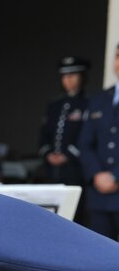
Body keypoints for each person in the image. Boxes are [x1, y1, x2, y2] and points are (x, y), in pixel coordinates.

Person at [76, 46, 119, 271]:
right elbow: (84, 144)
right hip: (100, 195)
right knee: (103, 258)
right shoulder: (100, 100)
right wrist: (97, 175)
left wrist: (116, 175)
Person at [39, 55, 90, 187]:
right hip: (51, 170)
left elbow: (88, 135)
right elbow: (44, 134)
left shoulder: (89, 104)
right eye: (64, 76)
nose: (67, 80)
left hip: (75, 169)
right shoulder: (54, 105)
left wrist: (68, 155)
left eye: (72, 75)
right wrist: (48, 154)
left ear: (82, 76)